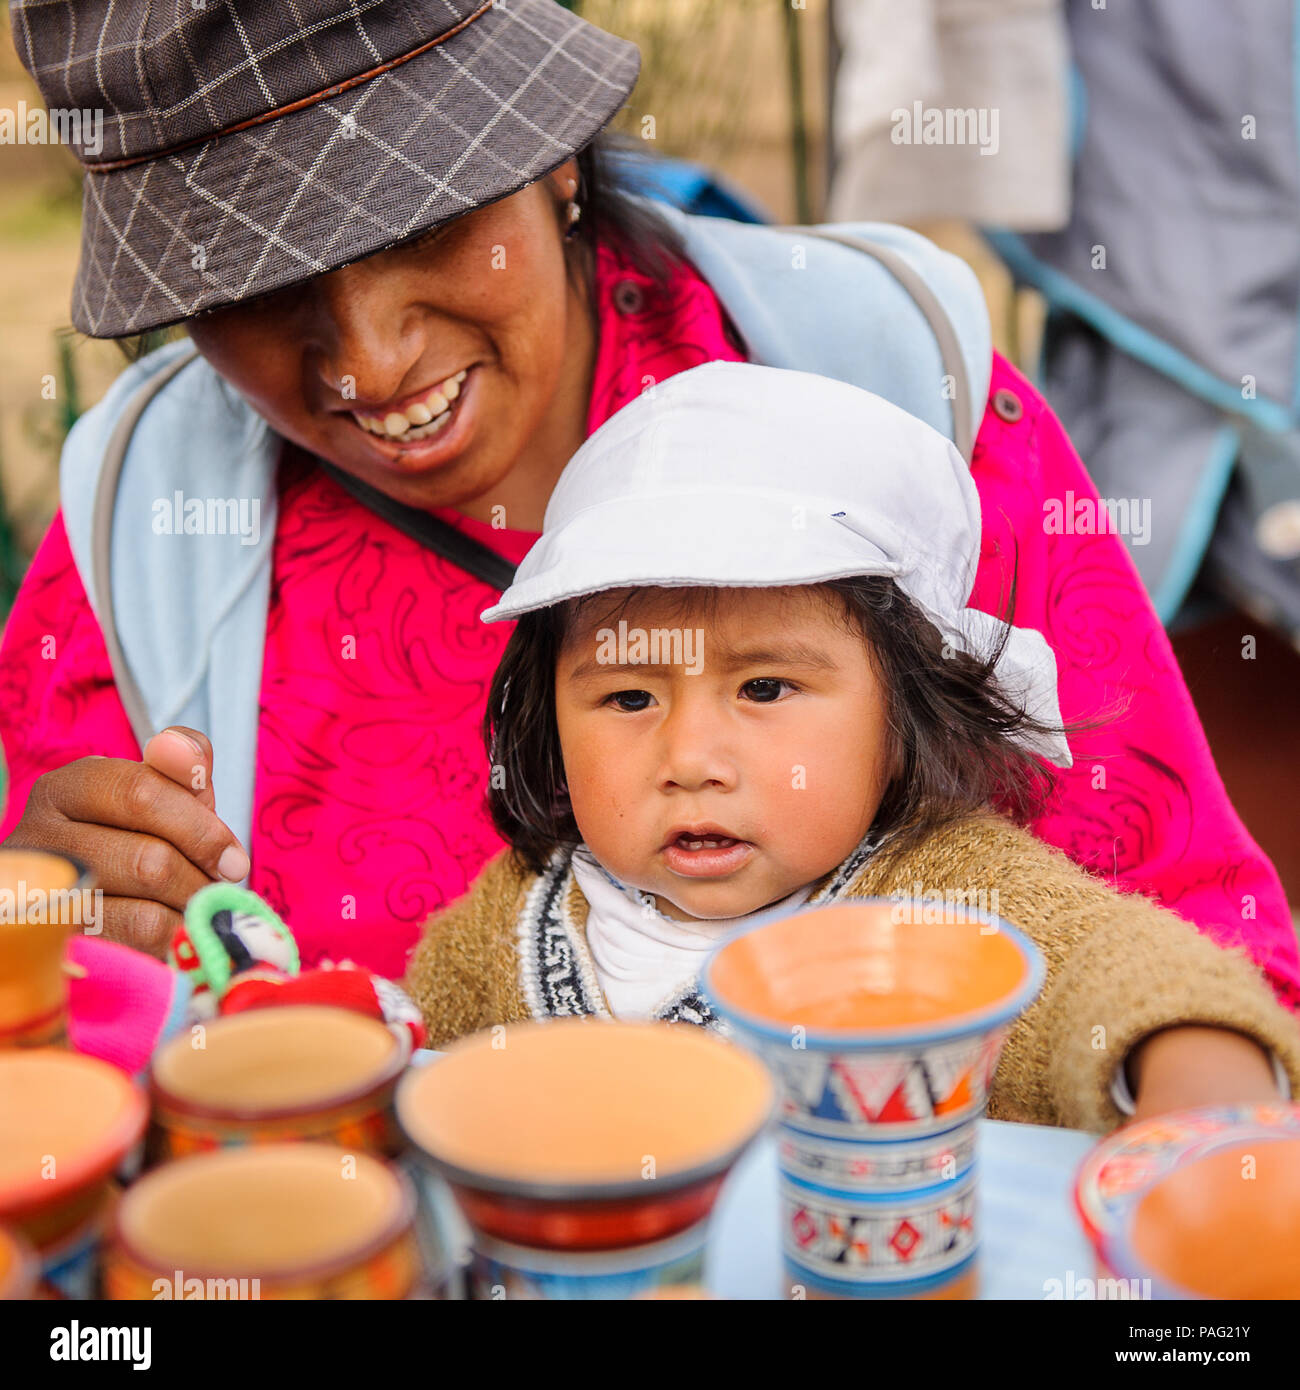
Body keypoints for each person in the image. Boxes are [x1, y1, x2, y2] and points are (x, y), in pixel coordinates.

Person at [2, 0, 1296, 1008]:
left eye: (422, 225)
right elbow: (80, 1046)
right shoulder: (138, 537)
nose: (371, 359)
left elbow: (1196, 942)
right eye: (253, 281)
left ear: (555, 153)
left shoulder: (894, 406)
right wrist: (49, 920)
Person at [404, 364, 1300, 1132]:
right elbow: (410, 1065)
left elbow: (1120, 972)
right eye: (630, 696)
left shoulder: (952, 899)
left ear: (902, 717)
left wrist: (1195, 1070)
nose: (690, 759)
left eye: (764, 688)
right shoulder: (513, 919)